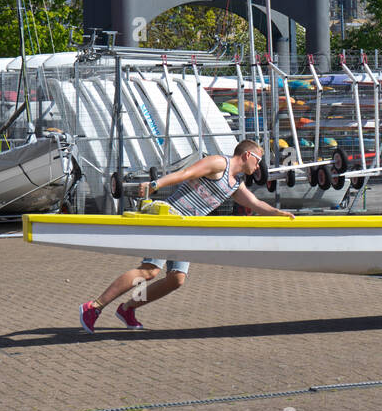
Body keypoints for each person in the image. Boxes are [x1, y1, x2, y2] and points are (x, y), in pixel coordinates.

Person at [80, 139, 293, 332]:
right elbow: (185, 174)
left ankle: (127, 308)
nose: (258, 167)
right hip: (170, 220)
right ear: (247, 155)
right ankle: (93, 307)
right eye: (258, 161)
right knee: (150, 271)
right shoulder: (219, 163)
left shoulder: (235, 184)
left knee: (175, 280)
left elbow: (255, 204)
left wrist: (279, 213)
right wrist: (155, 185)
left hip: (186, 229)